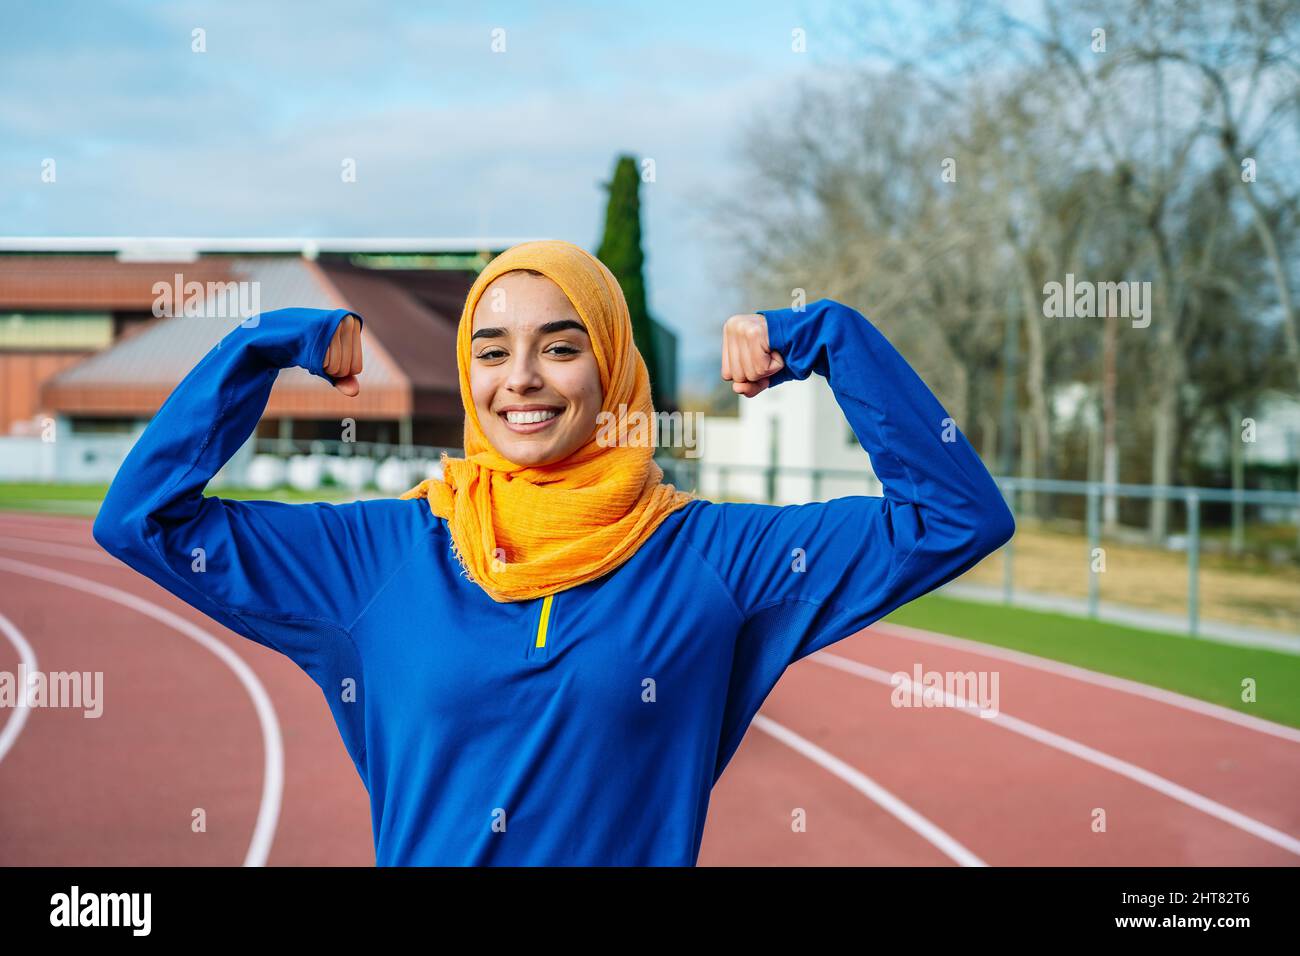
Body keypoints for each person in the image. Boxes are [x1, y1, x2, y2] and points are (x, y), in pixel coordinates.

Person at [93, 239, 1014, 866]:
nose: (521, 378)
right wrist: (262, 348)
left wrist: (833, 338)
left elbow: (953, 517)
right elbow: (143, 520)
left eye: (559, 347)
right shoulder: (378, 556)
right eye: (490, 352)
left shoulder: (713, 562)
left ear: (611, 366)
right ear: (467, 374)